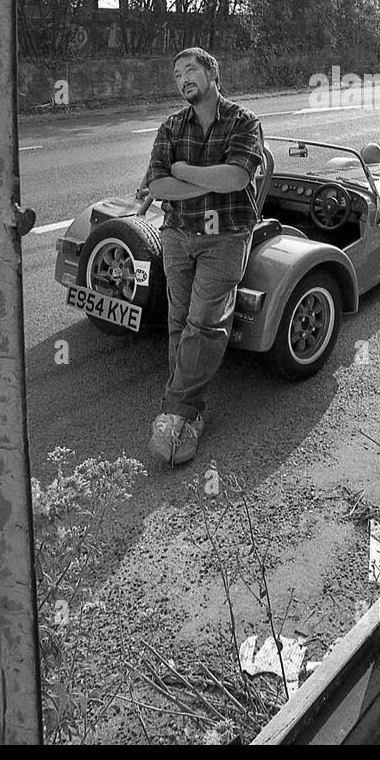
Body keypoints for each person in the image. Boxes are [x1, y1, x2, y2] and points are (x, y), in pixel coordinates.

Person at [143, 47, 264, 466]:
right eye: (177, 74)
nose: (182, 79)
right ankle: (189, 414)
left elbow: (238, 176)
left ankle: (175, 413)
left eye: (190, 69)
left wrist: (183, 171)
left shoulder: (243, 121)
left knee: (205, 324)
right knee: (179, 321)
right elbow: (156, 186)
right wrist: (209, 181)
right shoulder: (171, 126)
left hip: (225, 236)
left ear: (212, 72)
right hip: (178, 235)